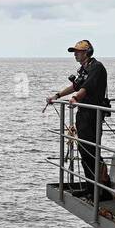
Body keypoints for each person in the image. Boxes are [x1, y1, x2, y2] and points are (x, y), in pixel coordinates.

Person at [46, 40, 111, 193]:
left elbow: (85, 88)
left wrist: (76, 98)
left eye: (78, 51)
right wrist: (57, 96)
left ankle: (103, 190)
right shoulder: (84, 69)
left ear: (87, 52)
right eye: (75, 51)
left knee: (91, 151)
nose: (75, 54)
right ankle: (91, 188)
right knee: (84, 151)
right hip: (84, 113)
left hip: (93, 114)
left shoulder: (97, 67)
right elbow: (76, 85)